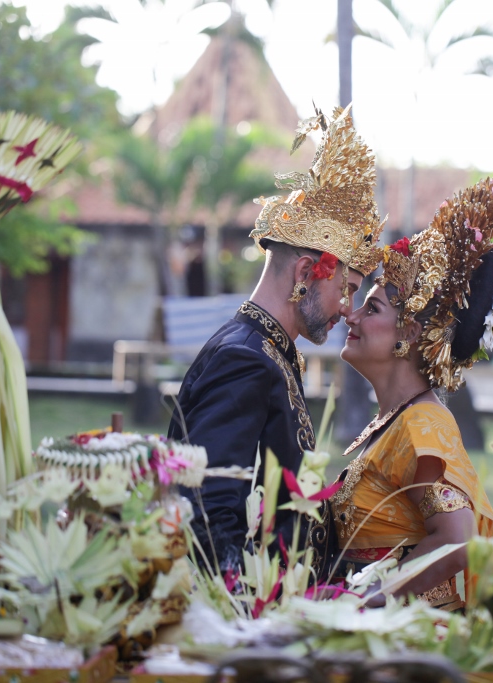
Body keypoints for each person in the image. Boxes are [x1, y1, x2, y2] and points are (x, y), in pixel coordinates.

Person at [169, 105, 384, 574]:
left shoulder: (269, 352)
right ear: (307, 273)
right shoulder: (244, 361)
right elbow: (207, 517)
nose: (348, 308)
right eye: (345, 289)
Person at [327, 155, 493, 611]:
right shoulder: (402, 420)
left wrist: (366, 601)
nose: (351, 315)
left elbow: (456, 540)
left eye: (372, 309)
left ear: (410, 333)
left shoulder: (422, 426)